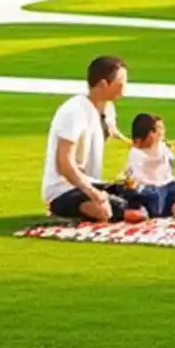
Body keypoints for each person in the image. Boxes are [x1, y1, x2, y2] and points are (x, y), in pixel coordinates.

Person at [40, 56, 146, 223]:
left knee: (141, 195)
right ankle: (63, 208)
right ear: (104, 84)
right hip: (64, 188)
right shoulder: (73, 112)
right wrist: (91, 191)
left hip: (90, 182)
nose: (123, 91)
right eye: (120, 85)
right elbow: (65, 164)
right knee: (110, 209)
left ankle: (96, 206)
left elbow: (122, 138)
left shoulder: (107, 109)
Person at [121, 113, 175, 218]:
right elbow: (155, 158)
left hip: (163, 188)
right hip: (148, 191)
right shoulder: (139, 153)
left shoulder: (158, 146)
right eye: (159, 129)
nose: (162, 132)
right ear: (150, 134)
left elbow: (170, 146)